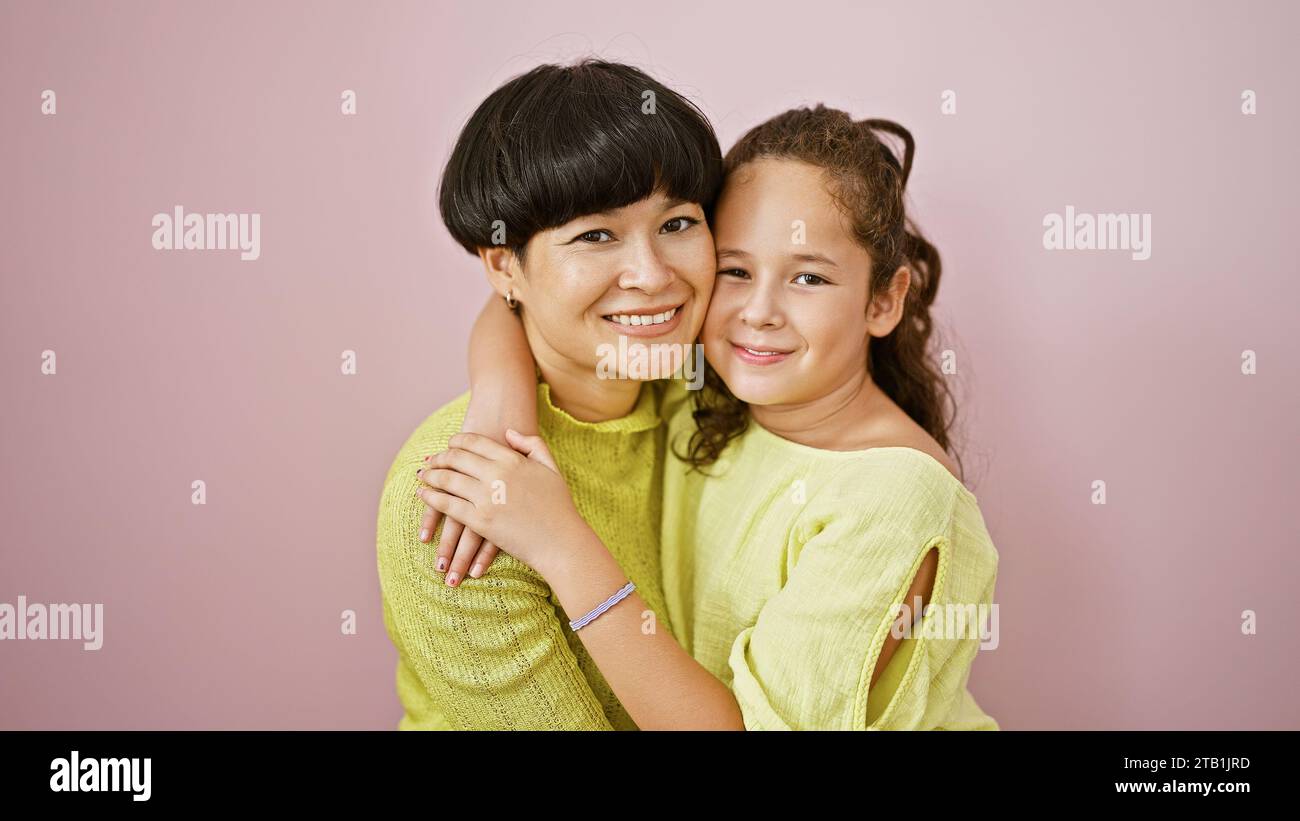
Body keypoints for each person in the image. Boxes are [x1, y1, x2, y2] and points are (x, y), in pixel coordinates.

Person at [420, 106, 1000, 730]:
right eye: (735, 270)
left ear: (883, 300)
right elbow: (523, 291)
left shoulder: (892, 498)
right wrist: (503, 411)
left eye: (808, 277)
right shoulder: (707, 387)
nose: (759, 312)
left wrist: (562, 546)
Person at [376, 59, 723, 729]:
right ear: (504, 265)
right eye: (596, 235)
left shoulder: (710, 386)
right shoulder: (461, 504)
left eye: (677, 223)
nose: (652, 275)